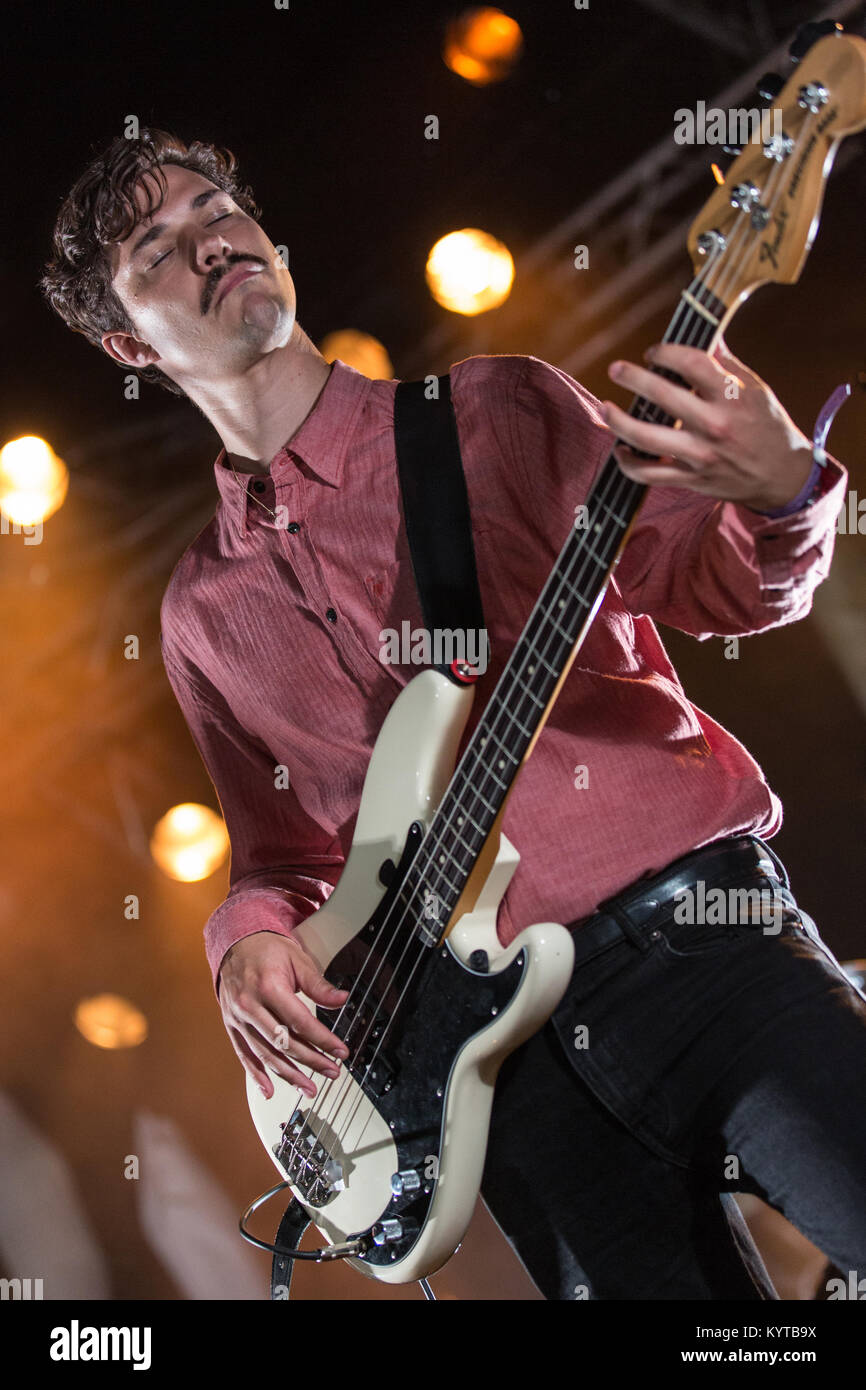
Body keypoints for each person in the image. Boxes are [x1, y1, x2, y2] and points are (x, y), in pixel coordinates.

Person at [41, 128, 866, 1300]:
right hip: (501, 1073)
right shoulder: (199, 612)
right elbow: (285, 854)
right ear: (127, 342)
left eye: (217, 205)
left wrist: (782, 489)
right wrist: (246, 943)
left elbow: (712, 581)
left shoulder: (493, 411)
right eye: (155, 246)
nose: (209, 239)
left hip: (699, 954)